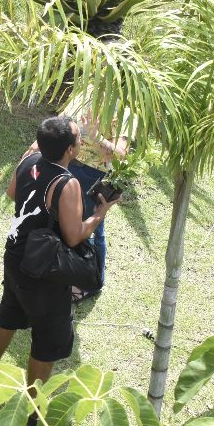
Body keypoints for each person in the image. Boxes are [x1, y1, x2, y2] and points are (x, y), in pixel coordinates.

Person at [0, 116, 118, 399]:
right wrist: (99, 214)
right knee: (46, 339)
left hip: (16, 255)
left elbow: (11, 193)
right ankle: (34, 407)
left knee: (7, 314)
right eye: (79, 139)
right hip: (44, 269)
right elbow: (74, 236)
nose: (82, 141)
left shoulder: (27, 160)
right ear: (70, 150)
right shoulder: (66, 183)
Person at [63, 90, 129, 300]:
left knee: (90, 228)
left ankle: (92, 283)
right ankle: (70, 275)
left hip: (93, 173)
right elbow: (63, 121)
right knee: (68, 224)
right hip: (67, 164)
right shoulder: (85, 91)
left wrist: (98, 138)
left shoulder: (122, 109)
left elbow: (120, 154)